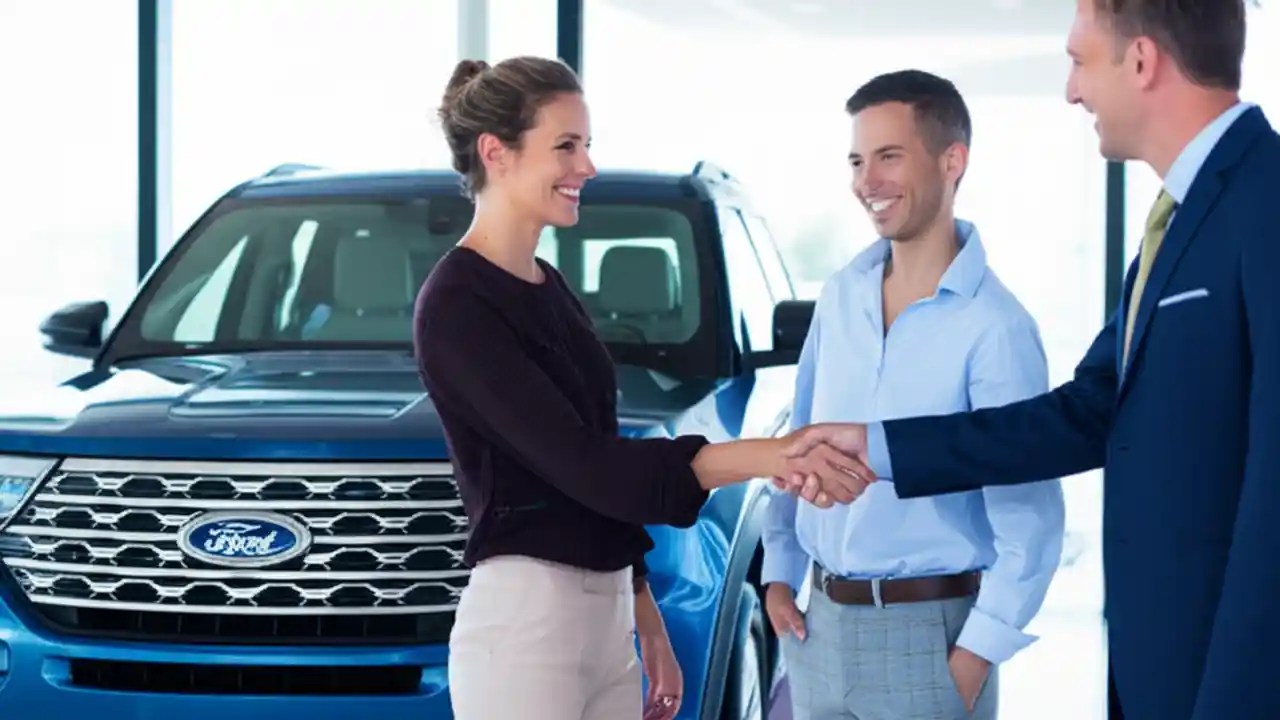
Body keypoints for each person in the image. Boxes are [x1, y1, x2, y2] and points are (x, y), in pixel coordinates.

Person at [782, 2, 1280, 718]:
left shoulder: (1265, 201)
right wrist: (880, 445)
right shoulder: (1176, 226)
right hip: (1159, 664)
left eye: (1080, 61)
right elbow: (1087, 412)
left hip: (1224, 677)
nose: (1071, 91)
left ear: (1141, 62)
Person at [413, 56, 871, 720]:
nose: (587, 167)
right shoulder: (458, 304)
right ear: (497, 153)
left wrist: (644, 615)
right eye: (566, 146)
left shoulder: (549, 288)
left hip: (604, 624)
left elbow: (593, 473)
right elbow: (594, 469)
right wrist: (774, 455)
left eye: (587, 145)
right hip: (524, 630)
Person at [761, 70, 1065, 720]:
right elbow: (801, 440)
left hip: (931, 636)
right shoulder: (841, 296)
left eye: (888, 157)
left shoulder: (997, 328)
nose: (865, 182)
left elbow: (1031, 518)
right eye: (856, 160)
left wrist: (970, 659)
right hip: (819, 628)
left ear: (952, 161)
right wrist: (779, 571)